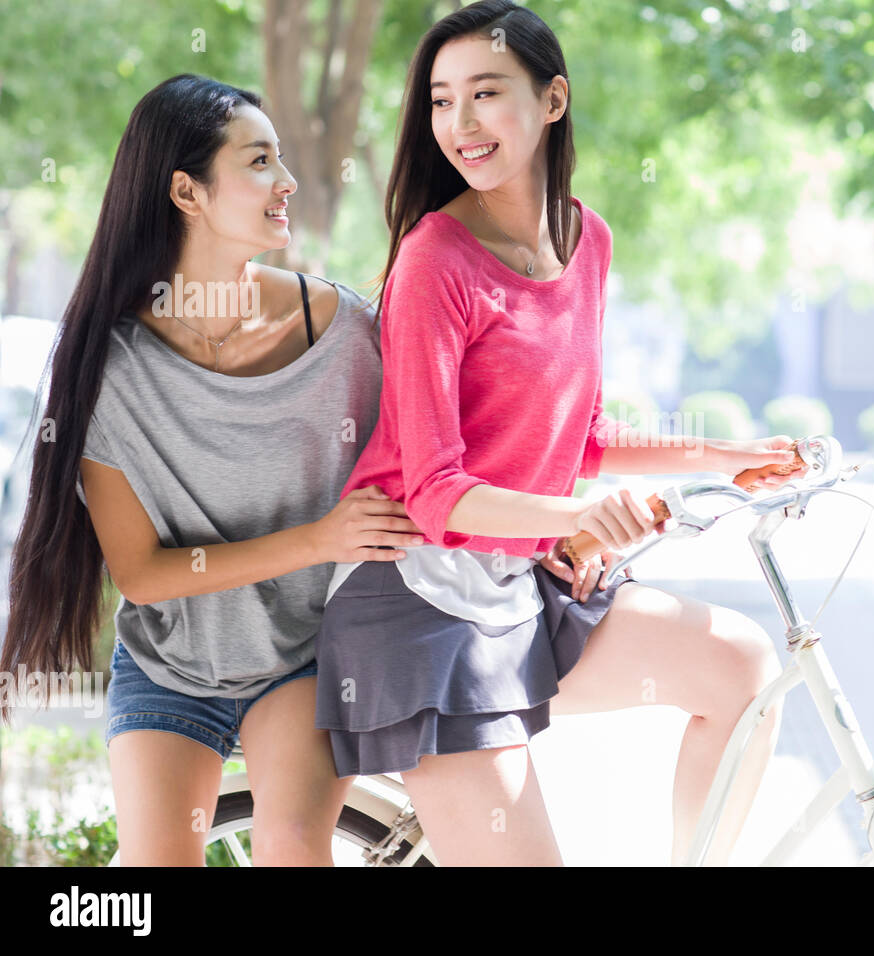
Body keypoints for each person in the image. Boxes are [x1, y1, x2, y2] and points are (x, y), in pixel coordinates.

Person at [314, 0, 806, 867]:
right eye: (440, 99)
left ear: (552, 100)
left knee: (741, 665)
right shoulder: (434, 260)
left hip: (516, 581)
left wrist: (736, 459)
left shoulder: (589, 241)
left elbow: (578, 436)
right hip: (418, 606)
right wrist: (575, 517)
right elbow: (435, 496)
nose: (459, 123)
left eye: (486, 93)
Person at [0, 74, 422, 865]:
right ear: (187, 192)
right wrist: (319, 539)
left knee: (293, 841)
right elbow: (145, 576)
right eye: (260, 161)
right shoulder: (107, 365)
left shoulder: (347, 337)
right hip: (169, 666)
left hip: (306, 654)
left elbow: (440, 455)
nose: (288, 181)